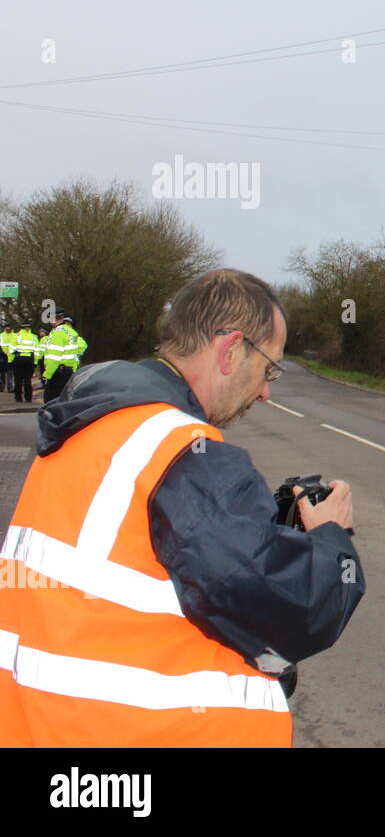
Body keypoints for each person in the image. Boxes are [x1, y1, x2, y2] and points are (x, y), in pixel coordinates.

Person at [0, 269, 365, 747]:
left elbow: (151, 560)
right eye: (270, 369)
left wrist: (259, 528)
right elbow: (296, 614)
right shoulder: (186, 454)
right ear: (231, 349)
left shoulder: (98, 424)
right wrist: (331, 538)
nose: (266, 391)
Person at [41, 311, 87, 403]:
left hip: (58, 373)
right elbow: (83, 346)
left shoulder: (57, 333)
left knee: (50, 402)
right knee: (66, 401)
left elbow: (53, 357)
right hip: (70, 370)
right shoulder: (71, 332)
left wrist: (46, 376)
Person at [10, 319, 39, 403]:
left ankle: (18, 398)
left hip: (19, 358)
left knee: (17, 379)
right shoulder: (34, 337)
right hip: (29, 359)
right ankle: (28, 398)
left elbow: (11, 350)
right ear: (29, 328)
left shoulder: (16, 336)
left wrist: (11, 360)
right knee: (27, 380)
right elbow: (37, 351)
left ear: (21, 328)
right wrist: (35, 362)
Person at [0, 322, 13, 393]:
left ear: (11, 328)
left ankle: (10, 387)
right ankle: (1, 387)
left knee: (10, 373)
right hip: (2, 356)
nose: (7, 328)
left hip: (11, 356)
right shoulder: (1, 335)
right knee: (1, 373)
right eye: (6, 327)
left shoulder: (15, 335)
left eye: (8, 327)